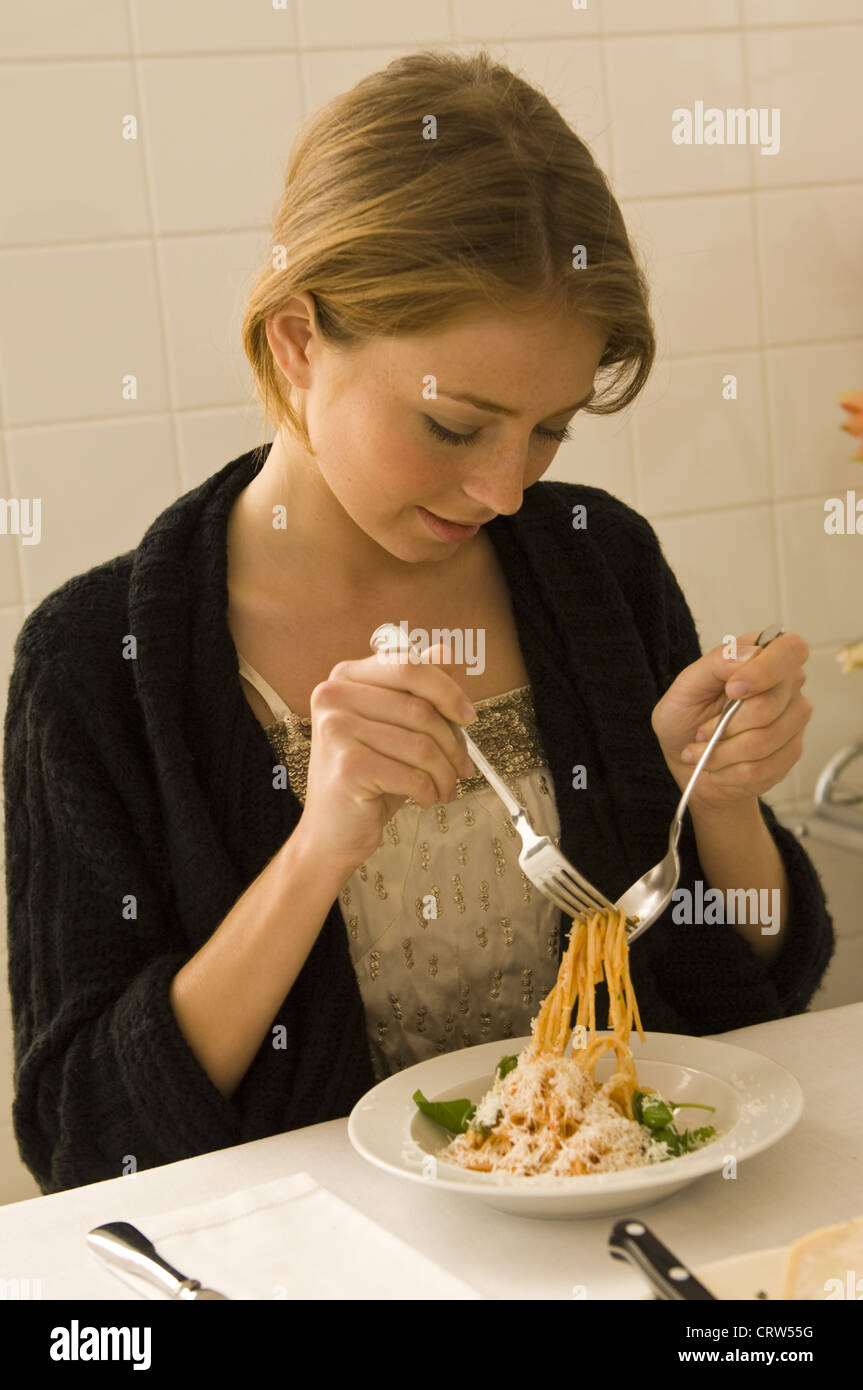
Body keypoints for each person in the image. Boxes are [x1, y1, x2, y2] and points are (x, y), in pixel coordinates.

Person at [3, 49, 834, 1195]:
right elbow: (89, 1139)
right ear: (297, 340)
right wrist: (317, 849)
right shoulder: (95, 665)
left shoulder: (596, 563)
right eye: (453, 426)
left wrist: (724, 804)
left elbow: (751, 1002)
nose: (504, 490)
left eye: (548, 430)